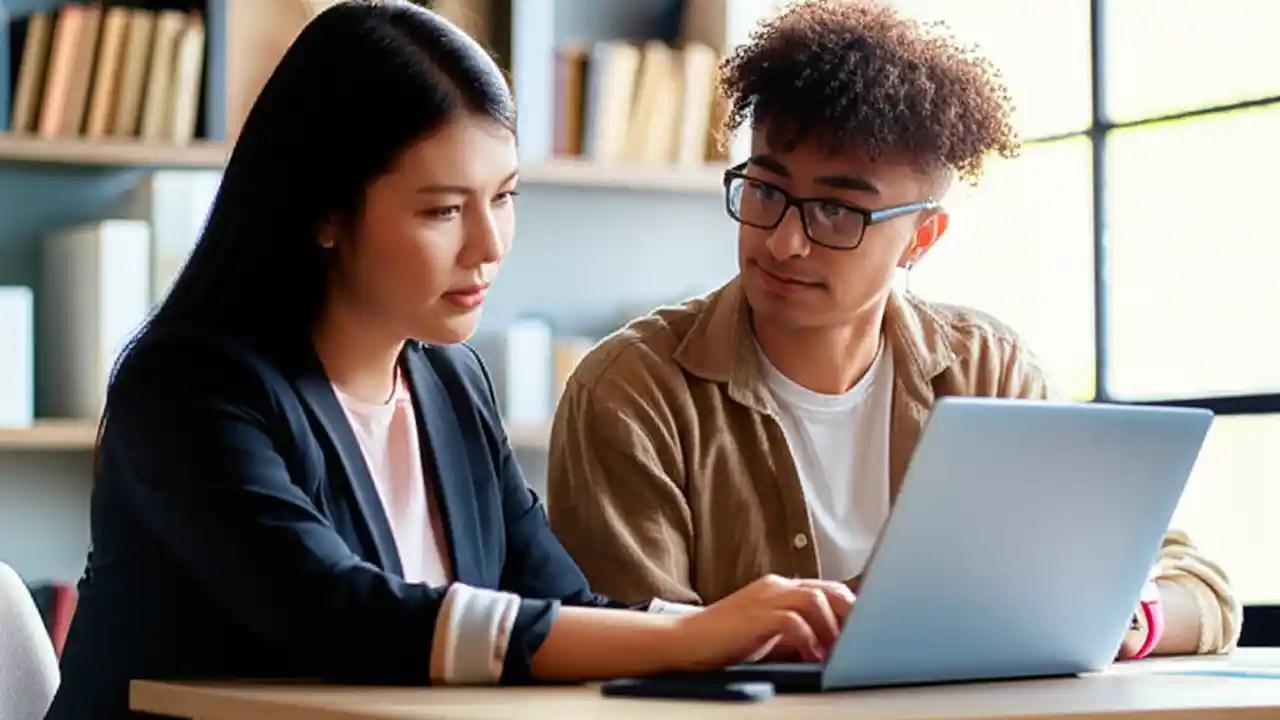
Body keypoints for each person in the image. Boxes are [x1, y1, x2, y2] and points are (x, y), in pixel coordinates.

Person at [45, 3, 855, 718]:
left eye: (503, 197)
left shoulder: (447, 378)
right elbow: (343, 618)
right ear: (324, 211)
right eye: (443, 210)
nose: (490, 246)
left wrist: (741, 634)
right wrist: (698, 636)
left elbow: (556, 604)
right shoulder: (193, 389)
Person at [547, 0, 1240, 661]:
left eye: (838, 212)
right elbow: (623, 641)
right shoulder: (632, 390)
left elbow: (1199, 585)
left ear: (922, 236)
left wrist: (1125, 619)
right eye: (765, 190)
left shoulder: (990, 370)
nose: (785, 241)